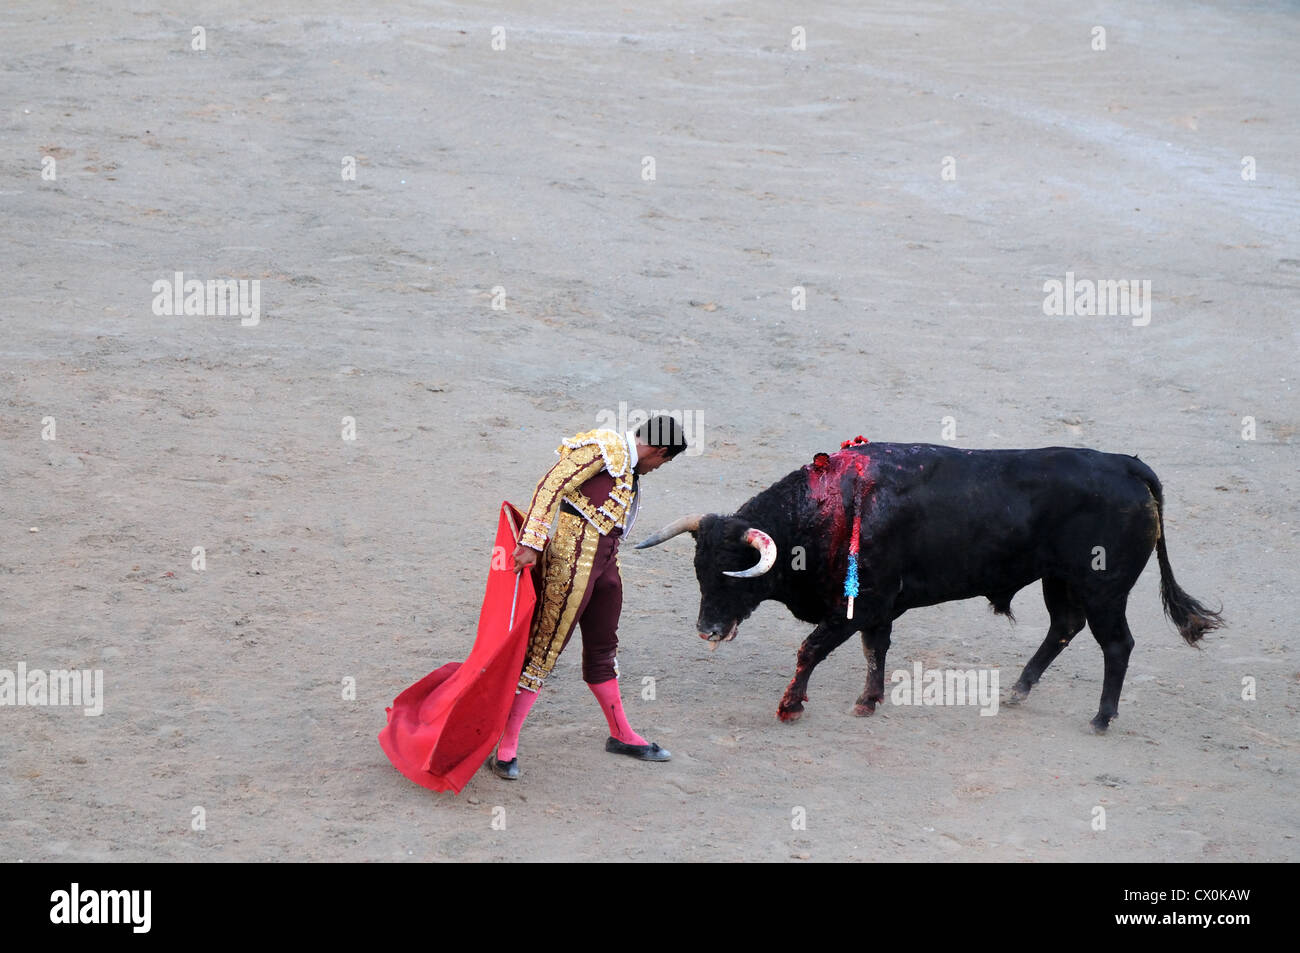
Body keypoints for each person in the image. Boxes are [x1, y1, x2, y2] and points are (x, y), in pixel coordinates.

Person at [489, 415, 688, 780]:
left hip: (606, 566)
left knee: (603, 650)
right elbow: (551, 484)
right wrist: (531, 543)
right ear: (659, 451)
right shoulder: (604, 448)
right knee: (543, 652)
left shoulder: (627, 465)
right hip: (570, 565)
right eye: (664, 461)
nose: (659, 468)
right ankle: (505, 746)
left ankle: (621, 734)